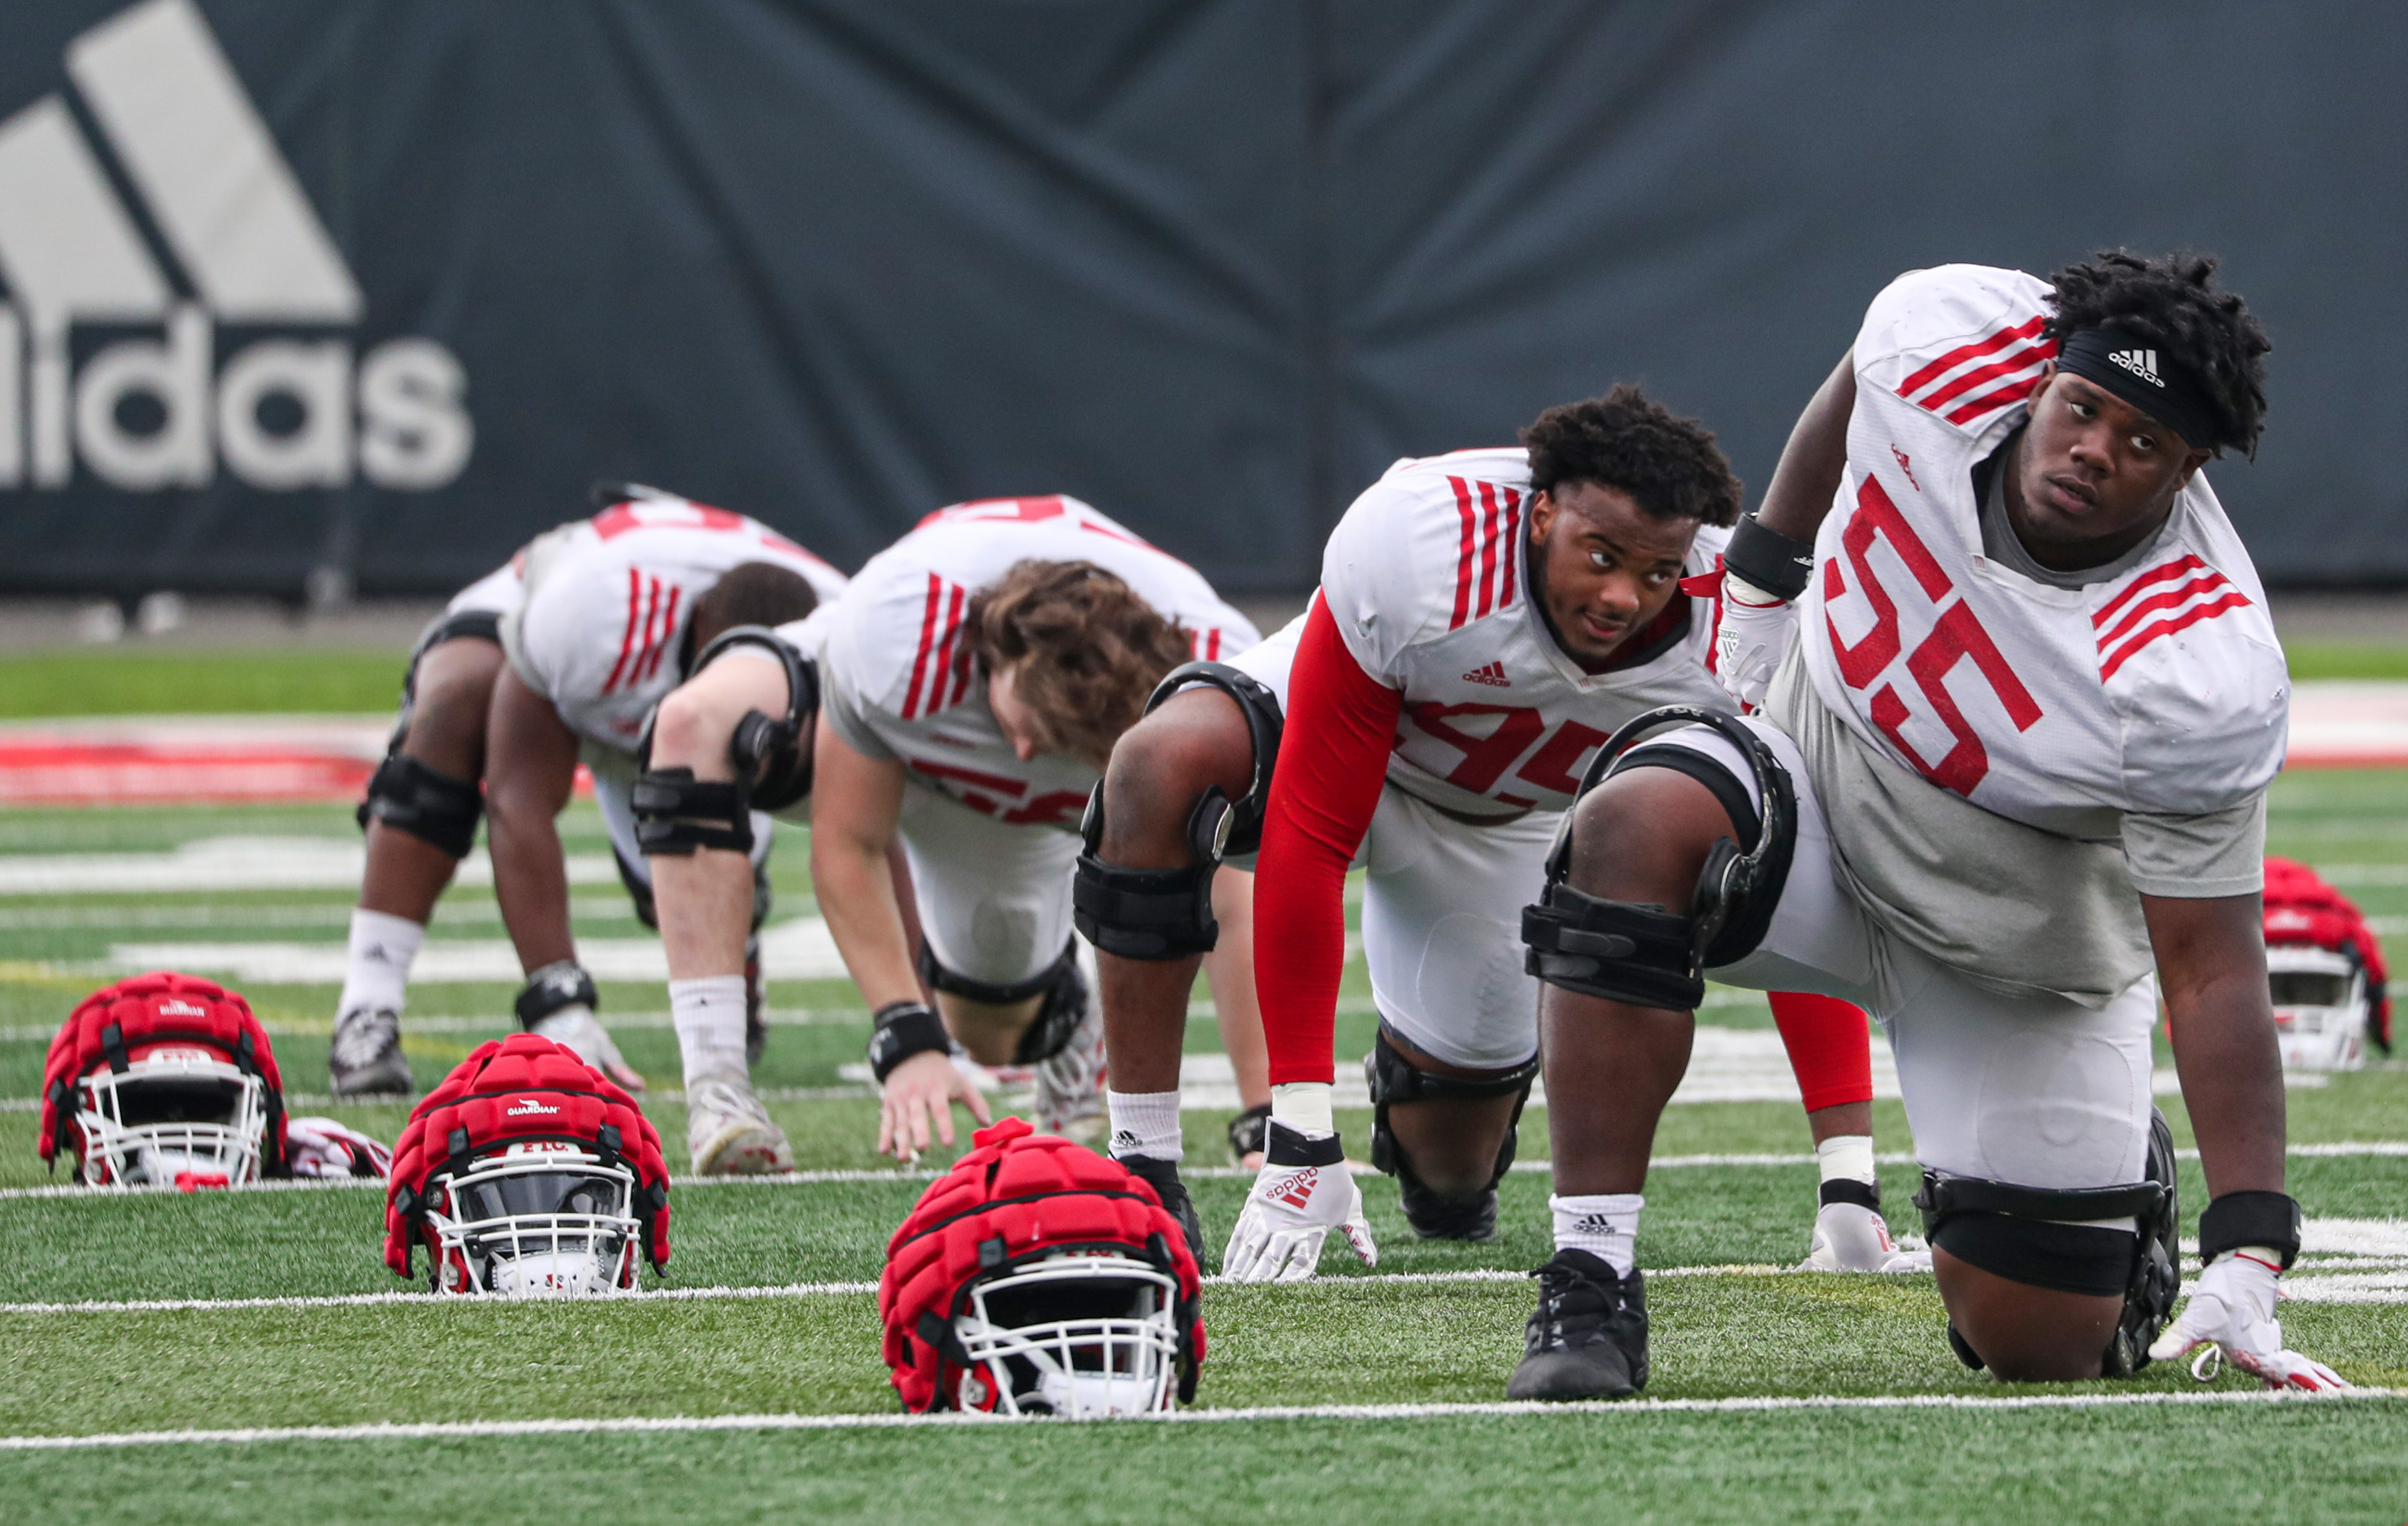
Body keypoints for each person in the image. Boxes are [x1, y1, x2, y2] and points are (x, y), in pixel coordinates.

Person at [1509, 252, 2350, 1399]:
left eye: (2142, 442)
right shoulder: (1949, 342)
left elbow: (2207, 966)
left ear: (2189, 470)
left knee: (2035, 1343)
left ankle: (2113, 1200)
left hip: (2015, 947)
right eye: (2083, 407)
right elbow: (1856, 383)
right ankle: (1589, 1277)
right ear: (2045, 378)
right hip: (1815, 788)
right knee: (1630, 828)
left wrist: (2250, 1240)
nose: (2095, 448)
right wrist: (1764, 569)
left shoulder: (2196, 665)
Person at [1187, 388, 1906, 1278]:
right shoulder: (1418, 545)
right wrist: (1297, 1122)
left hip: (1520, 826)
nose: (1620, 596)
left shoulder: (1736, 622)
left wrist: (1849, 1186)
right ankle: (1140, 1161)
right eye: (1599, 555)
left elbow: (1787, 896)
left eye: (1653, 573)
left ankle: (1422, 1107)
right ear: (1538, 517)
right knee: (1163, 770)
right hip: (1374, 760)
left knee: (1448, 1171)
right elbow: (1309, 831)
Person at [806, 496, 1258, 1156]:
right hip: (953, 790)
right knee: (995, 1034)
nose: (1024, 755)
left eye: (1054, 738)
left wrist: (1266, 1114)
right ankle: (1073, 1022)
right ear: (996, 649)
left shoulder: (1213, 680)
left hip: (1118, 787)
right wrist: (905, 1032)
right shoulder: (894, 641)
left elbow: (1236, 896)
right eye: (1029, 721)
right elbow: (847, 839)